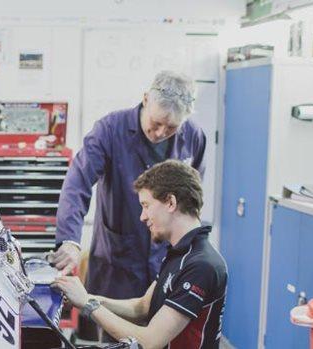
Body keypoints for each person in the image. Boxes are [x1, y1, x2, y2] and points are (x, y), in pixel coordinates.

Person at [50, 71, 207, 302]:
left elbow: (194, 200)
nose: (161, 133)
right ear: (146, 100)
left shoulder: (194, 136)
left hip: (168, 257)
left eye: (171, 127)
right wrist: (70, 240)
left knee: (161, 332)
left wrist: (194, 251)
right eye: (156, 123)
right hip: (118, 258)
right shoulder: (110, 129)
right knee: (115, 331)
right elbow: (77, 183)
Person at [53, 160, 227, 348]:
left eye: (146, 205)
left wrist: (88, 303)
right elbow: (142, 307)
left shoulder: (201, 265)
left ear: (170, 202)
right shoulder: (179, 253)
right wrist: (82, 297)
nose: (142, 216)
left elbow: (150, 341)